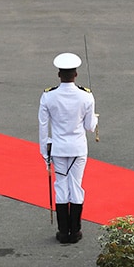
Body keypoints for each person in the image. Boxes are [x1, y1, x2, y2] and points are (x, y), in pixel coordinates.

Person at [38, 52, 98, 244]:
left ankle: (63, 232)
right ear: (76, 74)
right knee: (76, 186)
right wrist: (95, 118)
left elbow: (42, 127)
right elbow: (90, 127)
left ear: (59, 74)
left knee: (61, 187)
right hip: (78, 148)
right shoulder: (86, 96)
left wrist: (44, 152)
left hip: (58, 148)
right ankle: (76, 231)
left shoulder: (48, 96)